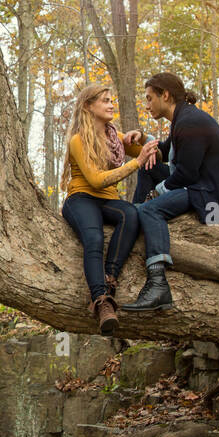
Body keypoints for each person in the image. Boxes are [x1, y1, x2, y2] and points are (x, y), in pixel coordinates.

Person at [121, 73, 219, 312]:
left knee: (152, 211)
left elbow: (186, 174)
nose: (146, 105)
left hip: (209, 194)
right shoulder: (181, 119)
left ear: (165, 95)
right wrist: (142, 139)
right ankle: (133, 215)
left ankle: (158, 285)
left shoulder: (190, 122)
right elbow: (165, 151)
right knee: (149, 164)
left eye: (149, 98)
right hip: (194, 184)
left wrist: (155, 194)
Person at [59, 83, 158, 334]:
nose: (111, 104)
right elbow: (95, 180)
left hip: (108, 200)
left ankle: (109, 280)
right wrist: (136, 162)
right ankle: (102, 302)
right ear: (88, 106)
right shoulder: (78, 140)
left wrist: (141, 137)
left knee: (132, 214)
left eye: (111, 99)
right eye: (104, 100)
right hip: (81, 198)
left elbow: (146, 150)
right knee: (93, 237)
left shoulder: (114, 136)